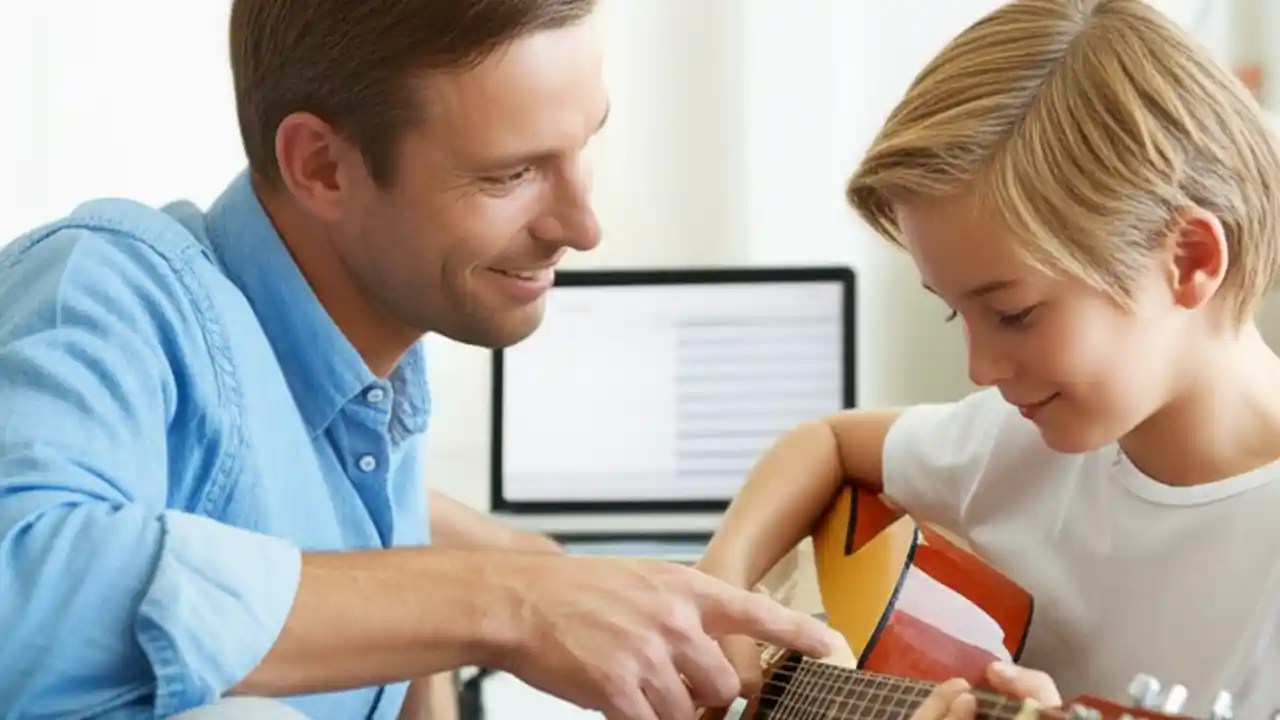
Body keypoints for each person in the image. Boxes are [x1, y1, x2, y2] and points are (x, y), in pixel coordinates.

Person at [0, 1, 843, 718]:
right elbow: (24, 589)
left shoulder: (371, 375)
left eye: (584, 143)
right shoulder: (105, 286)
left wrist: (514, 565)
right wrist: (497, 602)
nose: (583, 228)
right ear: (324, 167)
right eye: (511, 173)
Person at [695, 0, 1280, 718]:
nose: (979, 369)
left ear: (1188, 261)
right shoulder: (1015, 448)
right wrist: (720, 591)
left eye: (1013, 314)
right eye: (954, 312)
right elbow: (828, 441)